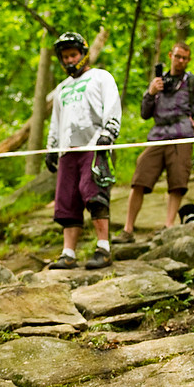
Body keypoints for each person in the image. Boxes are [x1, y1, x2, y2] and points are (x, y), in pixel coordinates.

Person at [113, 42, 194, 242]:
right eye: (177, 56)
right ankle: (128, 230)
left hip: (182, 136)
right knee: (139, 179)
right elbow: (145, 114)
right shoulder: (158, 82)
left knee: (177, 182)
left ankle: (168, 226)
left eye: (184, 58)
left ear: (189, 60)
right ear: (171, 55)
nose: (180, 61)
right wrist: (150, 93)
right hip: (158, 136)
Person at [44, 31, 121, 270]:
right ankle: (68, 253)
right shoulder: (61, 89)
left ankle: (103, 248)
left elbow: (112, 104)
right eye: (65, 56)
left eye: (73, 55)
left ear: (83, 54)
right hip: (68, 150)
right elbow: (56, 120)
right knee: (67, 201)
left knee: (95, 194)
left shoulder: (101, 77)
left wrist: (110, 131)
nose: (69, 60)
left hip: (94, 144)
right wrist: (51, 147)